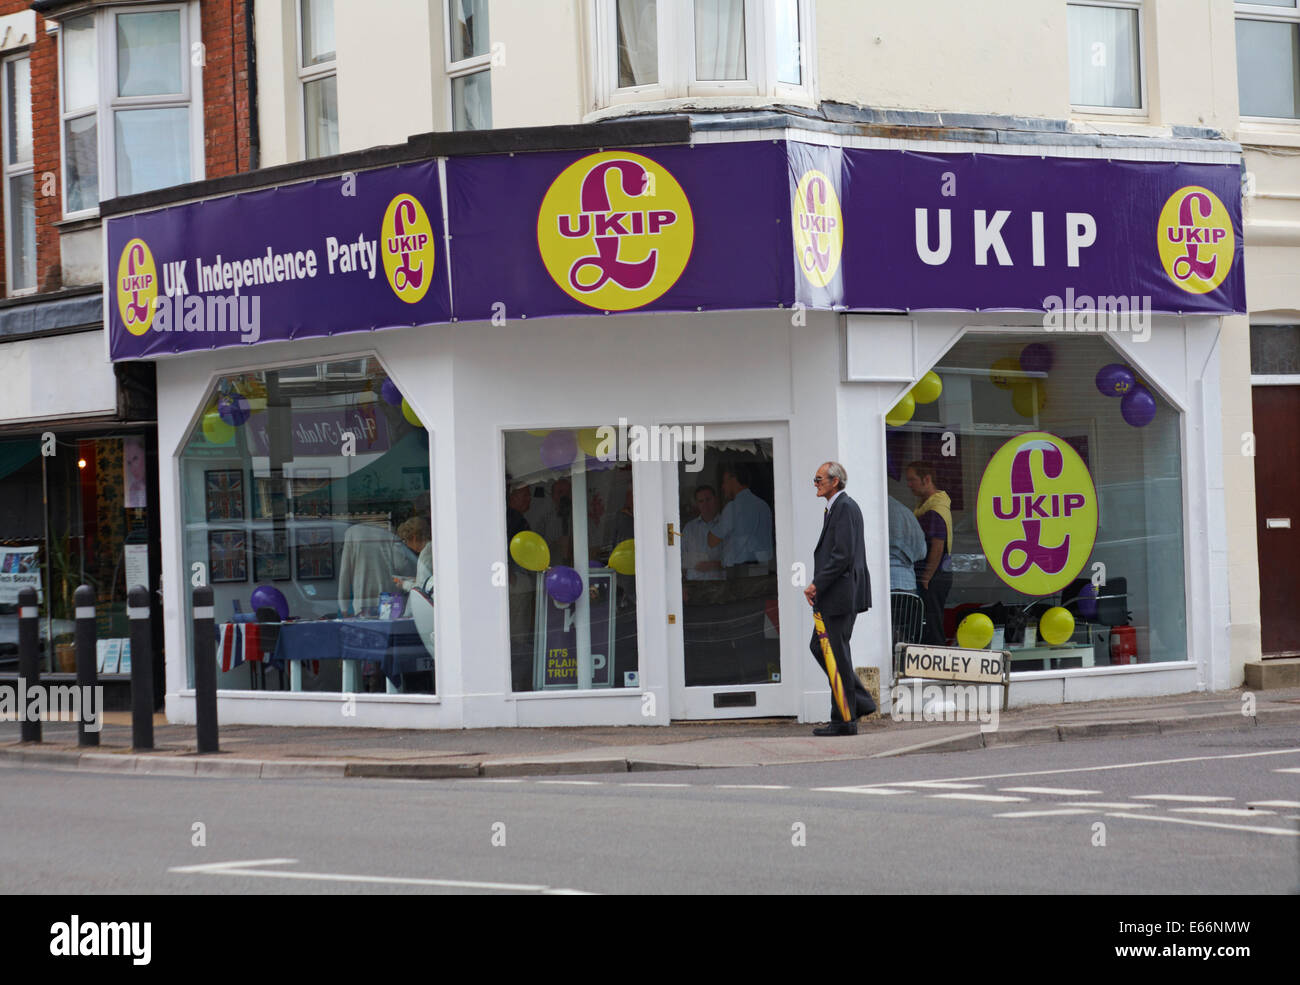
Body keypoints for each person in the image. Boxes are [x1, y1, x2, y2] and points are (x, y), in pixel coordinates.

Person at [804, 461, 876, 736]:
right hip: (838, 593)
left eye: (819, 478)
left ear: (835, 481)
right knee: (826, 650)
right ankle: (857, 703)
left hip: (840, 593)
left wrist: (816, 584)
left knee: (834, 653)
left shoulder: (844, 507)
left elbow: (842, 555)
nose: (816, 482)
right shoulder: (837, 507)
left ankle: (845, 719)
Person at [905, 460, 953, 645]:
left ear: (926, 479)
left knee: (932, 624)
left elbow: (938, 545)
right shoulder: (924, 505)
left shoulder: (935, 509)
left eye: (912, 479)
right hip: (935, 575)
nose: (909, 484)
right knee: (929, 622)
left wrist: (926, 577)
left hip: (934, 576)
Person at [708, 465, 774, 577]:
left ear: (733, 480)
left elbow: (712, 541)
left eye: (724, 482)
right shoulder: (763, 505)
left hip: (739, 572)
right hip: (762, 570)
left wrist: (714, 515)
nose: (723, 487)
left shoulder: (733, 507)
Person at [682, 485, 724, 582]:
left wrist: (712, 565)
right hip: (694, 586)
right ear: (697, 504)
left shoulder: (727, 525)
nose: (705, 504)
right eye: (701, 501)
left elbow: (735, 561)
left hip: (720, 586)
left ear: (716, 500)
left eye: (708, 499)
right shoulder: (689, 528)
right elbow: (681, 559)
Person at [887, 495, 926, 592]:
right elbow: (921, 551)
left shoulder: (868, 508)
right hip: (906, 583)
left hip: (878, 582)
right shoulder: (904, 512)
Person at [393, 515, 432, 595]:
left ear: (414, 538)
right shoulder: (431, 548)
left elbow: (421, 589)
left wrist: (403, 584)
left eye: (406, 541)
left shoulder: (425, 554)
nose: (407, 545)